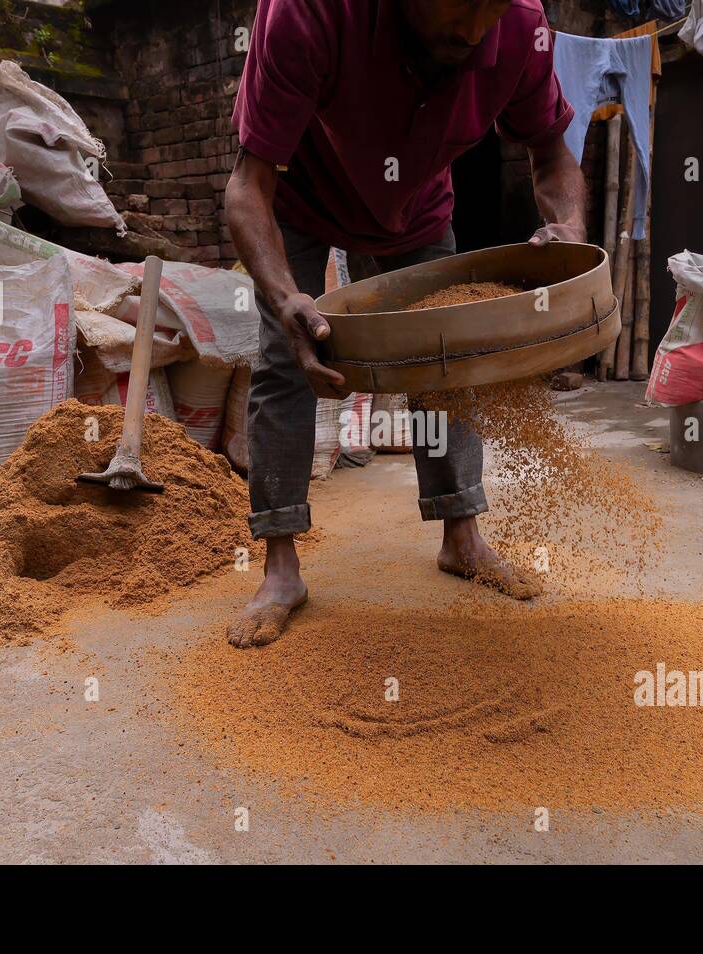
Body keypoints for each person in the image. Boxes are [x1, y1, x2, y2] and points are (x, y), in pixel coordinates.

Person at [224, 0, 587, 648]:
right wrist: (286, 298)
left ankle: (461, 535)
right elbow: (248, 187)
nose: (471, 35)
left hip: (416, 211)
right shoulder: (307, 15)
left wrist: (567, 230)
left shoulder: (520, 28)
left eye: (486, 15)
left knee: (449, 363)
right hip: (303, 201)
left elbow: (553, 156)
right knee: (288, 363)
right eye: (453, 14)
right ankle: (281, 568)